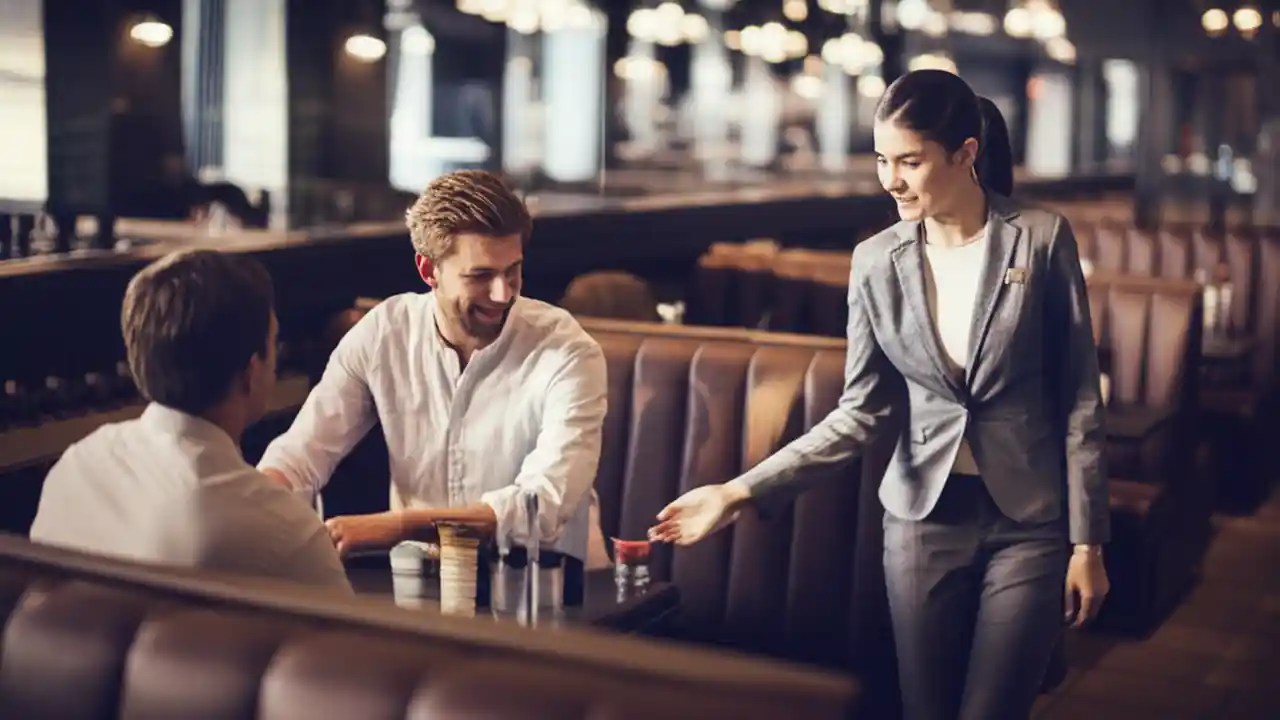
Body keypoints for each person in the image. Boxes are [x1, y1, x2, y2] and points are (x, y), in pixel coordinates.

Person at [649, 70, 1110, 720]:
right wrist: (738, 491)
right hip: (923, 525)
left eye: (909, 161)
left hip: (1028, 525)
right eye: (881, 160)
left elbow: (1080, 402)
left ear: (965, 154)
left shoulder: (1040, 238)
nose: (890, 179)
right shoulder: (874, 261)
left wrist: (1088, 544)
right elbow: (862, 412)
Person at [258, 170, 609, 566]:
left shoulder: (569, 351)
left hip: (556, 586)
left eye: (512, 271)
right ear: (429, 271)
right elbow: (302, 455)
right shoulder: (384, 333)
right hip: (424, 583)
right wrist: (252, 507)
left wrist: (402, 525)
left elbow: (541, 503)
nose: (503, 293)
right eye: (480, 276)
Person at [31, 250, 350, 592]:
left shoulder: (76, 465)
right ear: (251, 370)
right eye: (273, 343)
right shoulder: (284, 530)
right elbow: (353, 643)